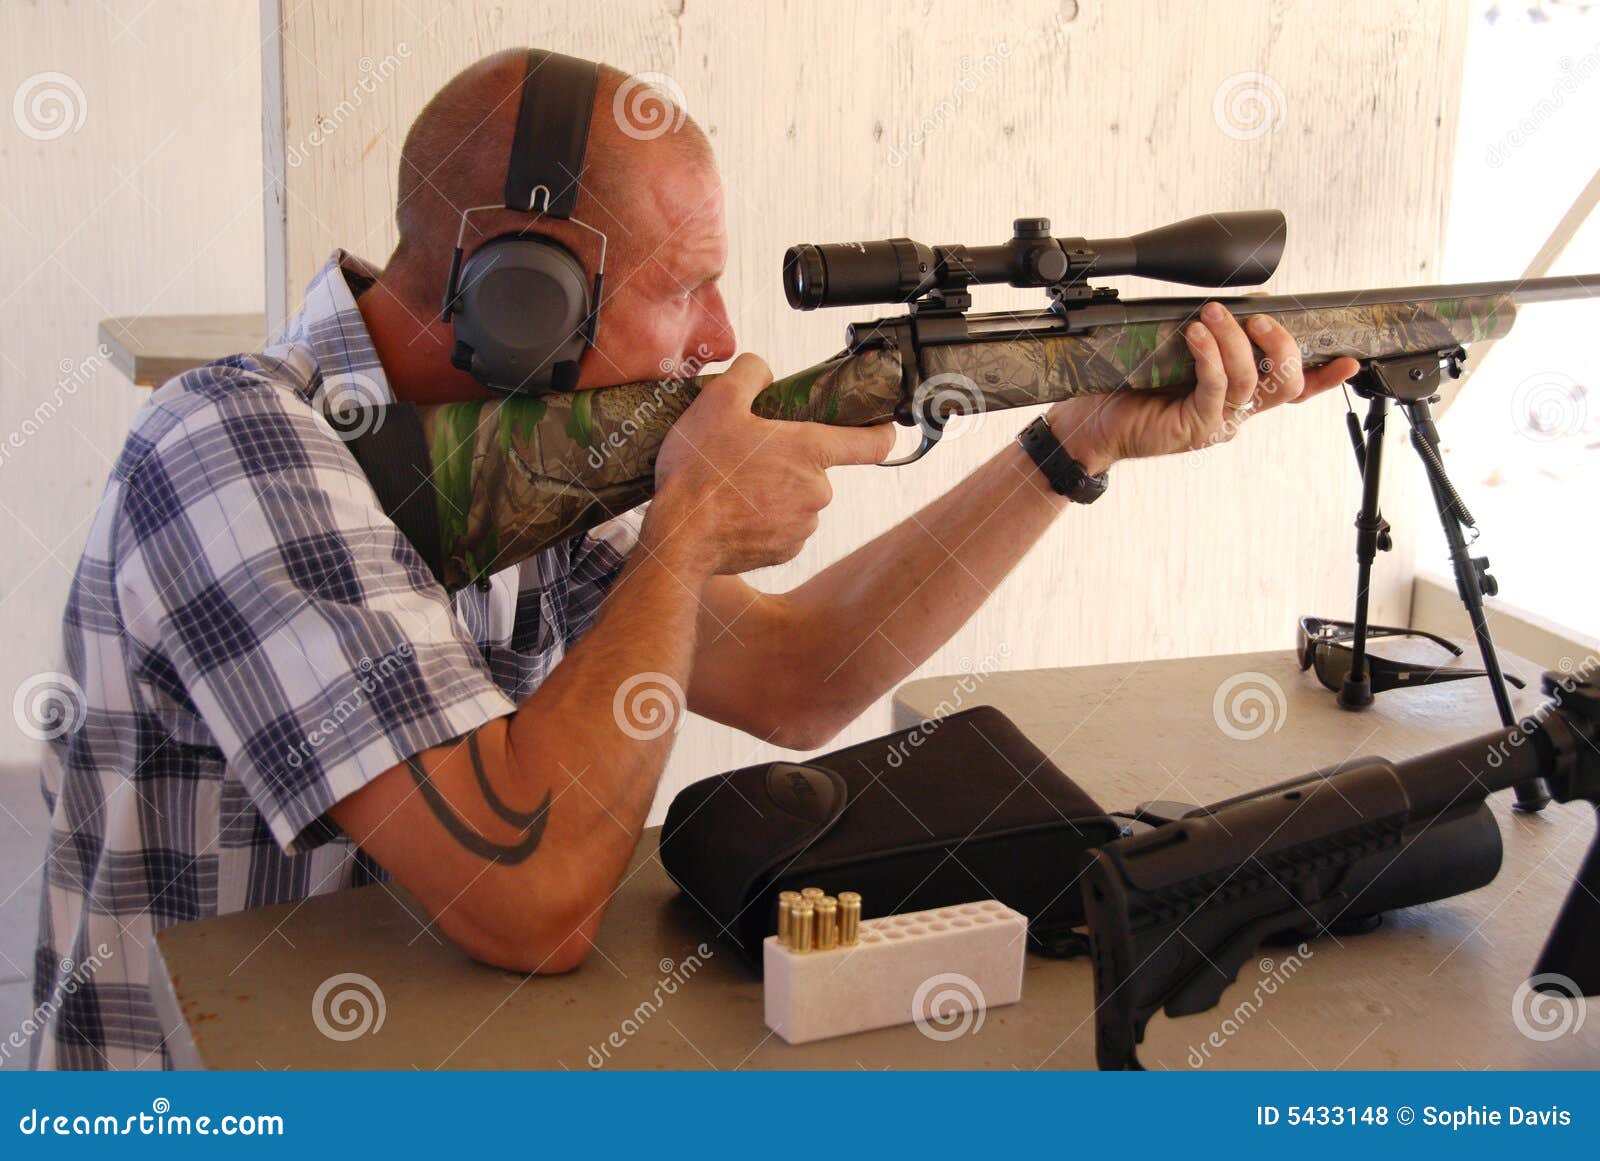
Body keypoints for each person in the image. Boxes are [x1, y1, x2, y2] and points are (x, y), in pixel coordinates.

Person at [32, 48, 1358, 1069]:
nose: (720, 337)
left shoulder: (521, 440)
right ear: (519, 302)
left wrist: (1070, 450)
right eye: (684, 288)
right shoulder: (235, 445)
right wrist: (690, 529)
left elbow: (799, 675)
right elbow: (534, 905)